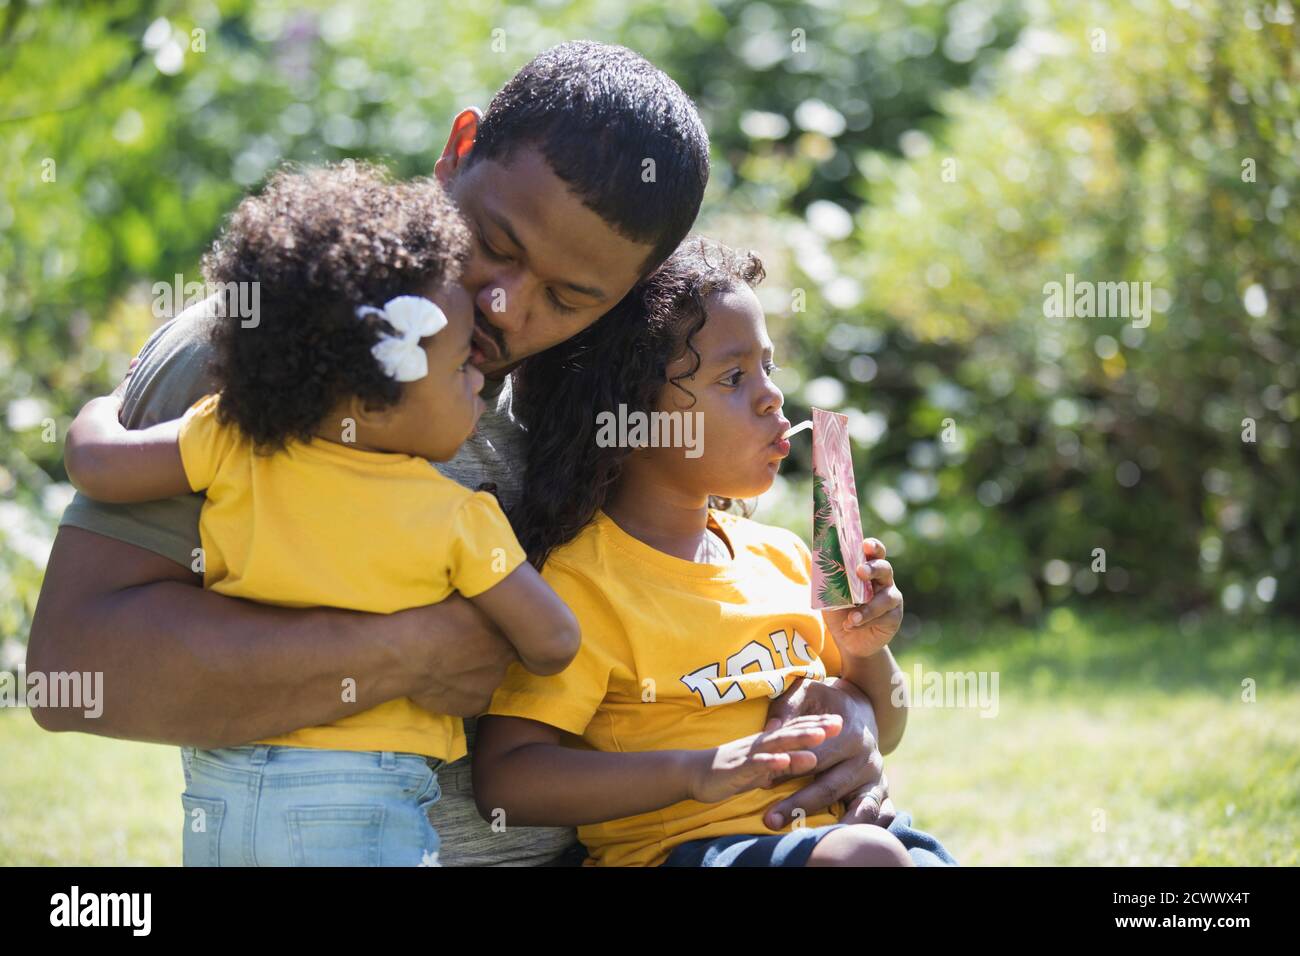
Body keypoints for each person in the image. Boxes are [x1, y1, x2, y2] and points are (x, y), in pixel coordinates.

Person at [28, 41, 915, 866]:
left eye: (568, 296)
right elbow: (73, 673)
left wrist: (840, 709)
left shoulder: (594, 395)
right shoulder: (267, 350)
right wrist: (406, 652)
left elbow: (700, 622)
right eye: (493, 242)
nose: (502, 304)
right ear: (460, 148)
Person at [63, 163, 580, 866]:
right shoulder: (460, 519)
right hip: (364, 801)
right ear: (374, 399)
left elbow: (96, 462)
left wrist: (105, 405)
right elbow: (553, 641)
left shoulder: (230, 435)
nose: (478, 382)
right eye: (462, 368)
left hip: (224, 792)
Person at [475, 238, 957, 866]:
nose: (771, 398)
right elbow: (506, 781)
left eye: (768, 368)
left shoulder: (783, 558)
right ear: (633, 417)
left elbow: (886, 731)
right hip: (684, 853)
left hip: (836, 843)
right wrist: (699, 770)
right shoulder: (583, 582)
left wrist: (866, 649)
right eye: (733, 377)